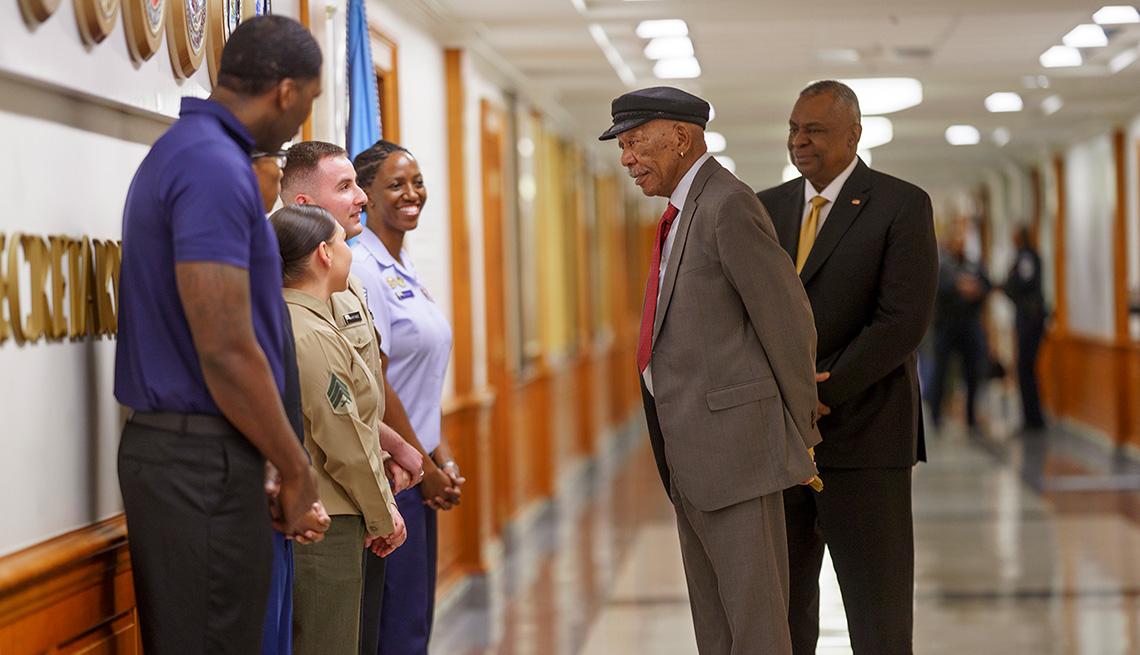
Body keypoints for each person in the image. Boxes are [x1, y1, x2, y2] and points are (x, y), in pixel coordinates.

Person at [114, 16, 327, 654]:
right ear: (286, 92)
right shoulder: (211, 166)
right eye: (308, 105)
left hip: (204, 456)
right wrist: (294, 466)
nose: (299, 126)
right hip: (195, 462)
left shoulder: (196, 151)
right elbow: (227, 346)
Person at [600, 87, 821, 655]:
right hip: (690, 455)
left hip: (739, 457)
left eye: (634, 142)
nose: (626, 158)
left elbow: (788, 322)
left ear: (681, 137)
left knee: (756, 626)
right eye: (622, 146)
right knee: (715, 626)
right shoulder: (679, 213)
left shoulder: (727, 204)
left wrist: (799, 438)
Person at [755, 80, 938, 655]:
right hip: (780, 445)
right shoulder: (764, 207)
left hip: (866, 438)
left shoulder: (901, 204)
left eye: (815, 129)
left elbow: (900, 321)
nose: (799, 140)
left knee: (877, 617)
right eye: (793, 128)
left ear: (855, 135)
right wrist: (787, 393)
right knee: (783, 615)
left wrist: (822, 387)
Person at [278, 140, 426, 654]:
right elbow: (333, 418)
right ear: (305, 209)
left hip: (360, 499)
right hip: (328, 505)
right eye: (345, 187)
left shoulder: (345, 281)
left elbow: (354, 394)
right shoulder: (293, 298)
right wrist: (385, 510)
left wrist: (396, 446)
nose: (361, 197)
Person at [352, 140, 463, 655]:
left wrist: (442, 457)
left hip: (419, 467)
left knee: (414, 620)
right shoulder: (362, 268)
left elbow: (423, 373)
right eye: (395, 184)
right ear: (366, 196)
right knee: (396, 627)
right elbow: (378, 378)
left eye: (416, 181)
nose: (412, 193)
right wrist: (424, 466)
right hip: (392, 474)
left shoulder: (402, 266)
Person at [928, 217, 992, 428]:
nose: (960, 244)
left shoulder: (973, 264)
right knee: (941, 371)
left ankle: (971, 415)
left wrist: (976, 289)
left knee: (974, 371)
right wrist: (959, 288)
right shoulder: (942, 264)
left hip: (969, 325)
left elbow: (987, 284)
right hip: (946, 325)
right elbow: (938, 289)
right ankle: (936, 415)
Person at [1001, 225, 1047, 430]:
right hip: (1026, 316)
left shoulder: (1027, 257)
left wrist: (1008, 284)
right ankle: (1030, 416)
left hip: (1031, 318)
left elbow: (1022, 283)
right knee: (1024, 367)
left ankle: (1033, 418)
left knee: (1025, 367)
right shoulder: (1023, 256)